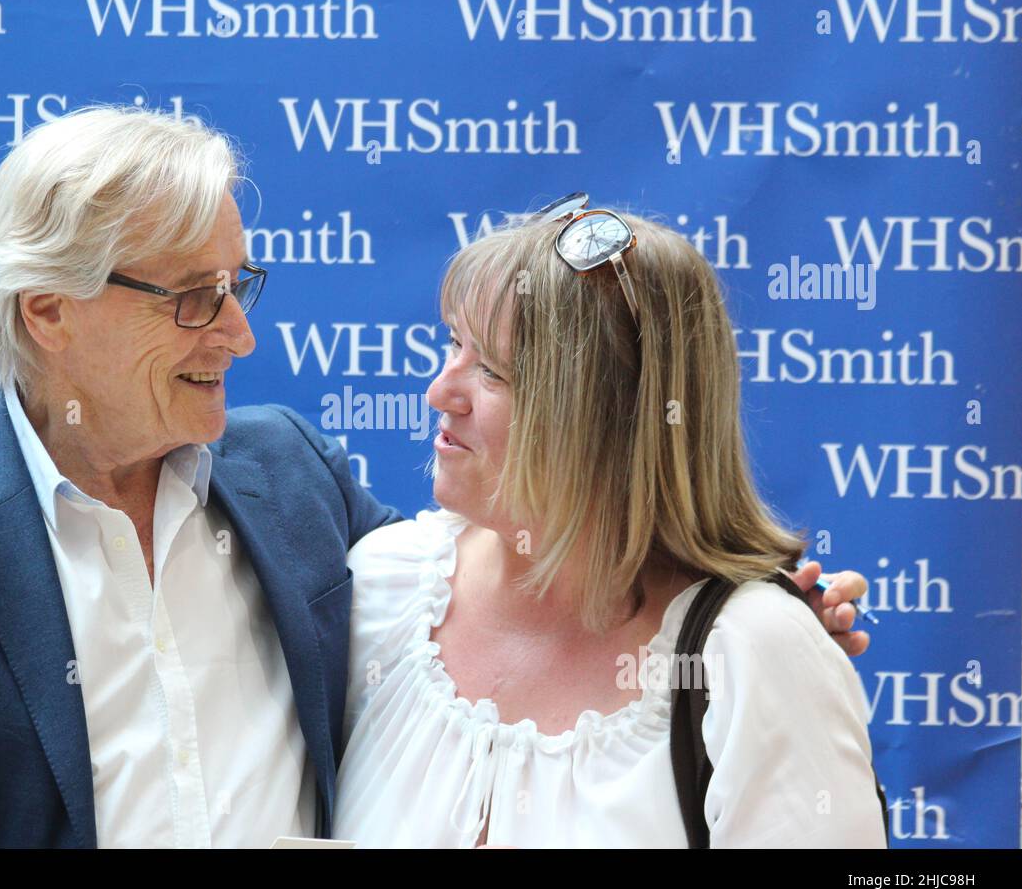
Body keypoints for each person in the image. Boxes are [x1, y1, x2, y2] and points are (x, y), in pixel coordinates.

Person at [0, 108, 868, 848]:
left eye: (240, 283)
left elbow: (552, 562)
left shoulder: (298, 484)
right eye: (191, 295)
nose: (236, 333)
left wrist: (755, 610)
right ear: (50, 310)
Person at [332, 200, 888, 848]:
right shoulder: (380, 589)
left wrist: (775, 649)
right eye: (455, 344)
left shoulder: (750, 654)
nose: (439, 391)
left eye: (491, 371)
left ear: (606, 424)